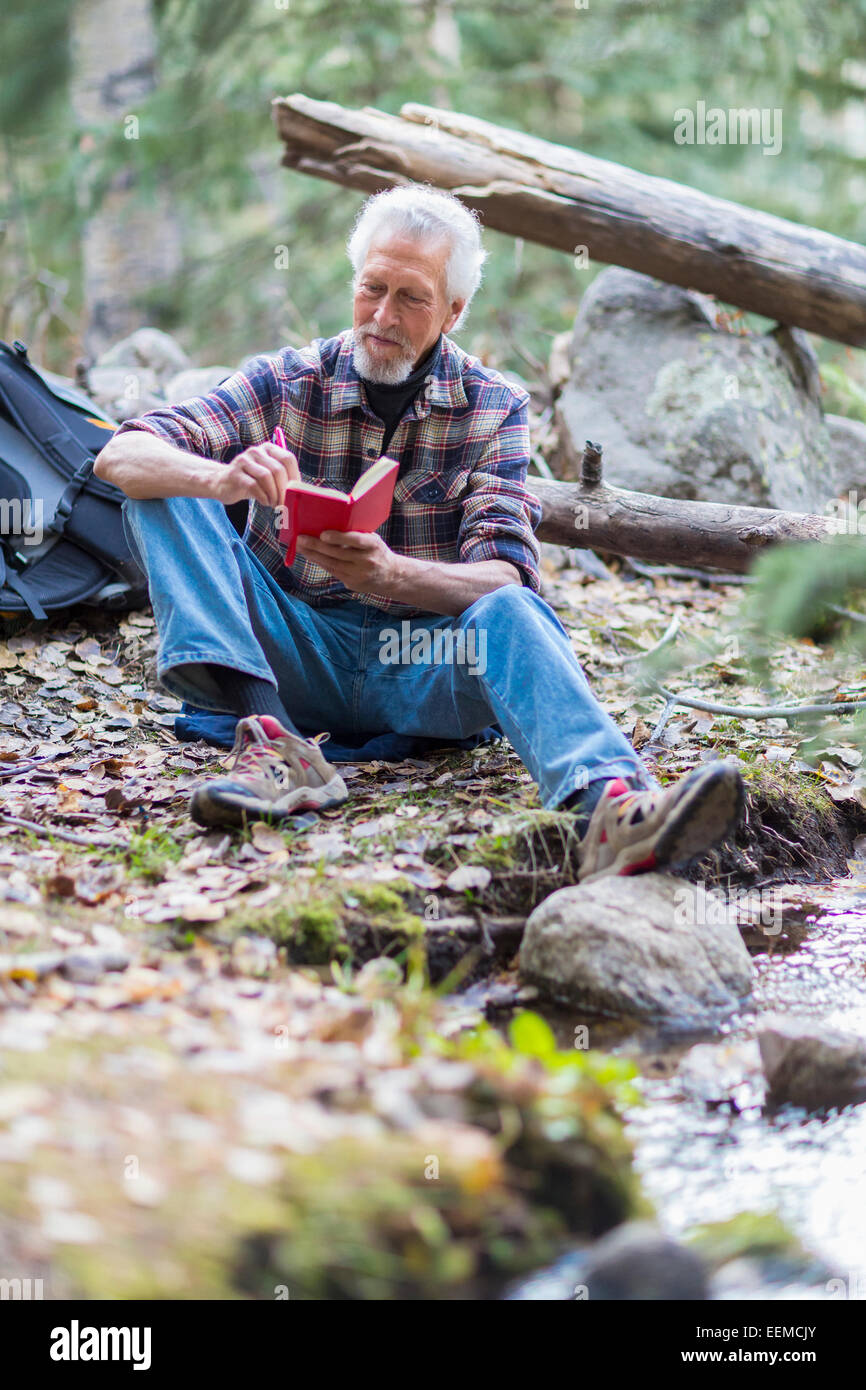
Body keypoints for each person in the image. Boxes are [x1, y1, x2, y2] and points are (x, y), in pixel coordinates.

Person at [94, 183, 743, 883]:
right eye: (372, 288)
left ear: (454, 311)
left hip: (425, 666)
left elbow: (505, 577)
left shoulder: (494, 406)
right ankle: (276, 743)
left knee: (513, 607)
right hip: (294, 651)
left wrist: (389, 575)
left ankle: (610, 810)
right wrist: (219, 481)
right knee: (162, 494)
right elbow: (118, 455)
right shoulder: (287, 378)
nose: (382, 315)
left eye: (411, 298)